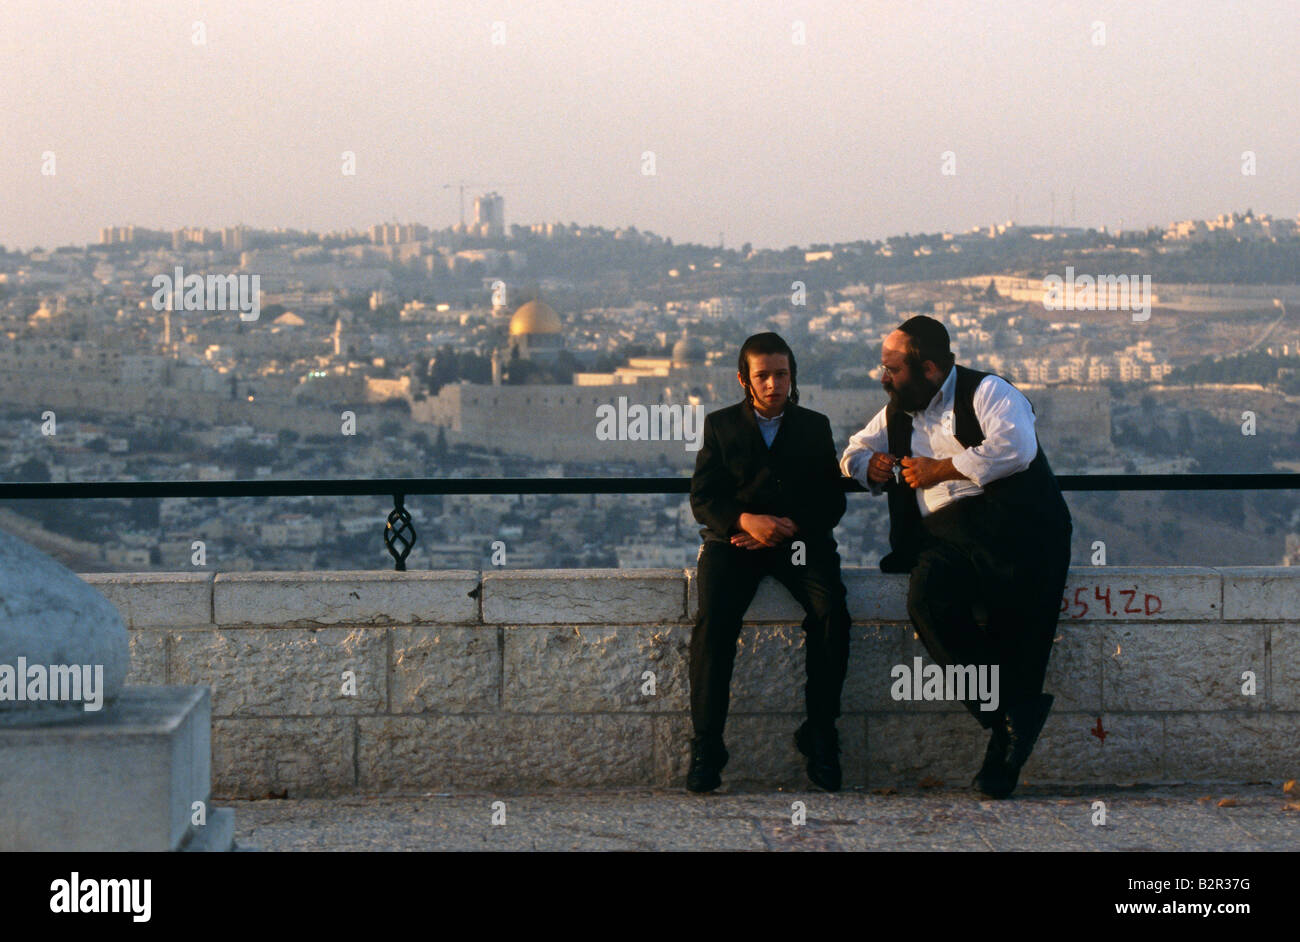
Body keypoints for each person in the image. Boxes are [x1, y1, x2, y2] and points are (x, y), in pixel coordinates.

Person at [841, 316, 1072, 799]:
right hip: (945, 539)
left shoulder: (988, 391)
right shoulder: (897, 413)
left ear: (927, 367)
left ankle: (1001, 756)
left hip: (1017, 530)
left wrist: (938, 468)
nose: (883, 378)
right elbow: (852, 453)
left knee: (1019, 633)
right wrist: (872, 464)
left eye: (891, 369)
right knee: (927, 602)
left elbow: (1016, 448)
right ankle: (1011, 712)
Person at [687, 332, 852, 793]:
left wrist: (784, 528)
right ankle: (707, 745)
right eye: (763, 376)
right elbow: (703, 498)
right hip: (735, 542)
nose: (774, 384)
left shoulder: (814, 427)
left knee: (831, 613)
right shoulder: (720, 426)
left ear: (791, 376)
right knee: (714, 622)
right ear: (745, 379)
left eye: (781, 374)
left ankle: (820, 733)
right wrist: (746, 521)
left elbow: (831, 502)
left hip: (798, 542)